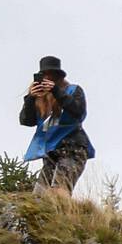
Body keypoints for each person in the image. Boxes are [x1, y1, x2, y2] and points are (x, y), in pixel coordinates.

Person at [20, 56, 94, 195]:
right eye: (43, 76)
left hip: (73, 148)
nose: (47, 79)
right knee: (39, 196)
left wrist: (56, 91)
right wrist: (30, 98)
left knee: (60, 192)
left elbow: (78, 111)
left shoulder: (72, 91)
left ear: (58, 77)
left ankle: (67, 215)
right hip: (51, 154)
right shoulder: (40, 99)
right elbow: (26, 121)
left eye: (51, 76)